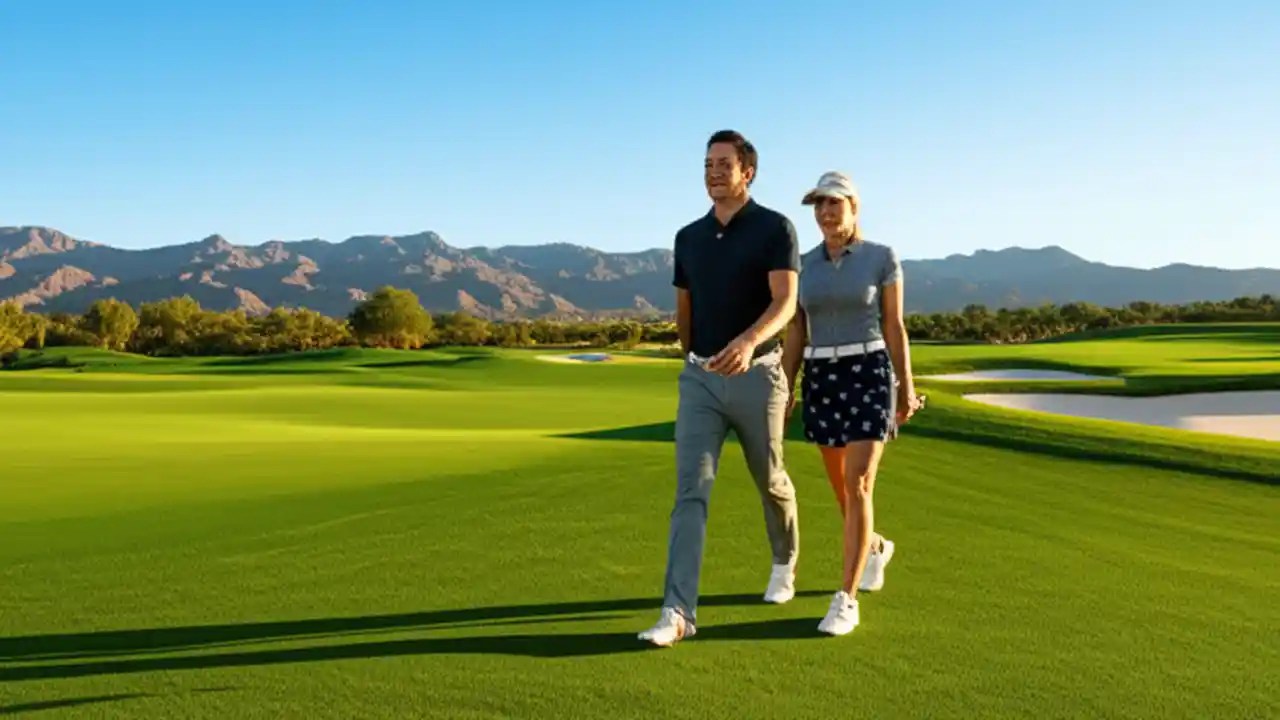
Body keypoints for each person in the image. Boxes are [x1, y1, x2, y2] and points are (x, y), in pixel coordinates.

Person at [638, 130, 802, 647]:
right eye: (707, 163)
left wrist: (749, 342)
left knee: (771, 479)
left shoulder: (776, 228)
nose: (712, 172)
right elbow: (684, 311)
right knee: (691, 492)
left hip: (759, 376)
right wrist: (696, 360)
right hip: (701, 380)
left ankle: (784, 558)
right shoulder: (687, 237)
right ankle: (678, 610)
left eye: (723, 164)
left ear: (747, 171)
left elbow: (786, 303)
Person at [781, 170, 923, 636]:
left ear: (854, 207)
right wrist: (787, 385)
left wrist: (905, 385)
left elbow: (893, 325)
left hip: (868, 372)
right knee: (842, 490)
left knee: (858, 482)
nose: (824, 213)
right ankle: (876, 548)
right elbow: (796, 330)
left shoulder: (882, 257)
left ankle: (846, 599)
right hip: (822, 374)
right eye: (818, 205)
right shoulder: (802, 265)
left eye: (833, 204)